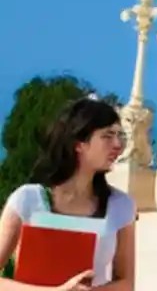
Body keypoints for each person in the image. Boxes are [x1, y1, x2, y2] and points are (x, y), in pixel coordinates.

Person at [0, 97, 137, 290]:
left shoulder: (121, 206)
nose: (118, 144)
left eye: (119, 135)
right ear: (78, 143)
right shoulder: (27, 200)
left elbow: (126, 283)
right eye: (107, 135)